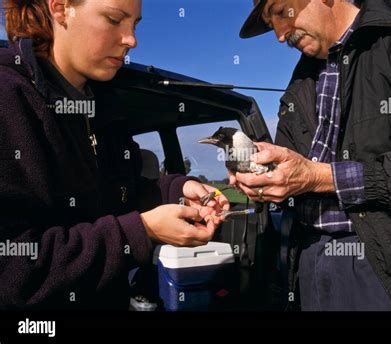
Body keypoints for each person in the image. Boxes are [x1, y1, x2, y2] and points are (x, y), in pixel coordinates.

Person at [233, 0, 391, 311]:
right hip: (310, 266)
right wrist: (264, 181)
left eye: (281, 12)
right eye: (271, 24)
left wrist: (323, 178)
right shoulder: (299, 83)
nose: (280, 34)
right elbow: (292, 176)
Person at [0, 0, 229, 309]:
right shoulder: (9, 98)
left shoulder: (105, 108)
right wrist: (142, 231)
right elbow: (13, 270)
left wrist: (177, 190)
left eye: (135, 24)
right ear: (60, 8)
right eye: (114, 19)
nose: (132, 40)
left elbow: (124, 196)